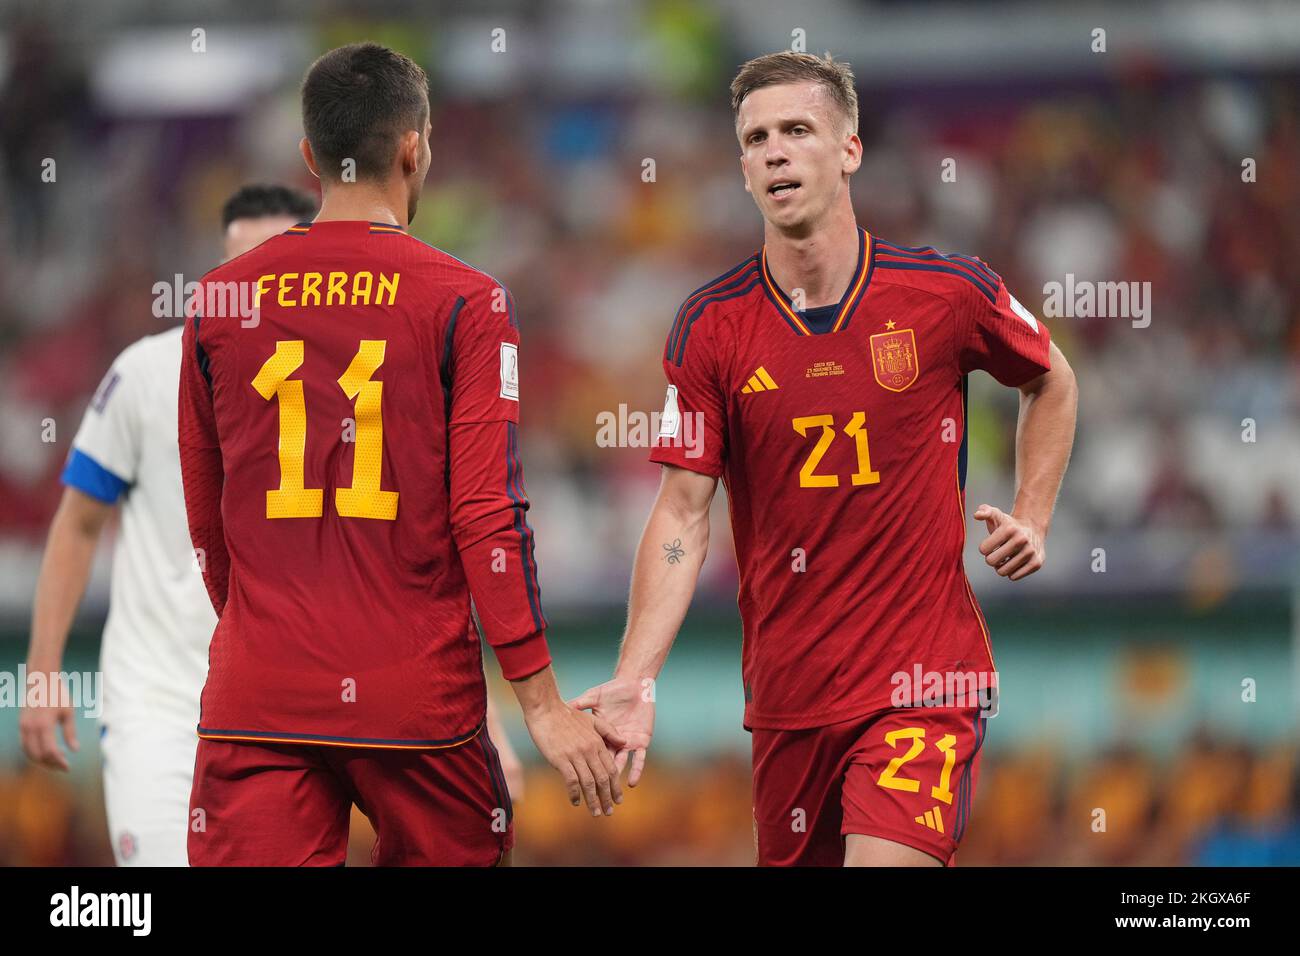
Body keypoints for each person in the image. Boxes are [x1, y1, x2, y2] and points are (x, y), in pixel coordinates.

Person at [572, 51, 1078, 867]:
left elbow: (1050, 379)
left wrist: (1035, 513)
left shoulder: (947, 293)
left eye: (796, 130)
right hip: (787, 701)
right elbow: (680, 513)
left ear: (849, 150)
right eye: (756, 137)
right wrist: (635, 677)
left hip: (923, 684)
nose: (774, 150)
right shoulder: (711, 327)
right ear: (742, 169)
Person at [179, 43, 621, 867]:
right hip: (416, 702)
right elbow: (489, 515)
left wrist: (270, 634)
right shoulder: (467, 301)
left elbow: (207, 519)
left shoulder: (218, 301)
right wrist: (542, 703)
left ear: (310, 156)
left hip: (259, 694)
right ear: (416, 147)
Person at [21, 184, 318, 865]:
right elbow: (77, 524)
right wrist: (41, 670)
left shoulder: (345, 381)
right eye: (241, 264)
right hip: (157, 701)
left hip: (286, 710)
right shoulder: (148, 373)